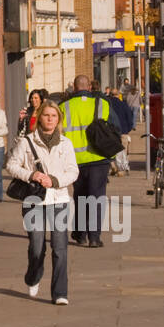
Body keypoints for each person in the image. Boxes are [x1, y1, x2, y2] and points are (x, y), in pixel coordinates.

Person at [7, 102, 78, 305]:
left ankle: (60, 293)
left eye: (54, 116)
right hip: (34, 200)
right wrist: (32, 175)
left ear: (59, 119)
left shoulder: (65, 143)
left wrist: (54, 181)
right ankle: (33, 277)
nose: (50, 119)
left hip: (59, 200)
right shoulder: (27, 142)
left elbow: (73, 171)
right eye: (46, 115)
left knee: (60, 248)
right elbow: (11, 165)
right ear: (40, 118)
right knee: (37, 247)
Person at [60, 75, 121, 248]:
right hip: (99, 158)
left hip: (75, 160)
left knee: (80, 196)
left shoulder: (64, 107)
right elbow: (117, 128)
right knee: (96, 197)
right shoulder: (103, 104)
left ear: (74, 88)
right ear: (89, 87)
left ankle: (80, 235)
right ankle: (94, 237)